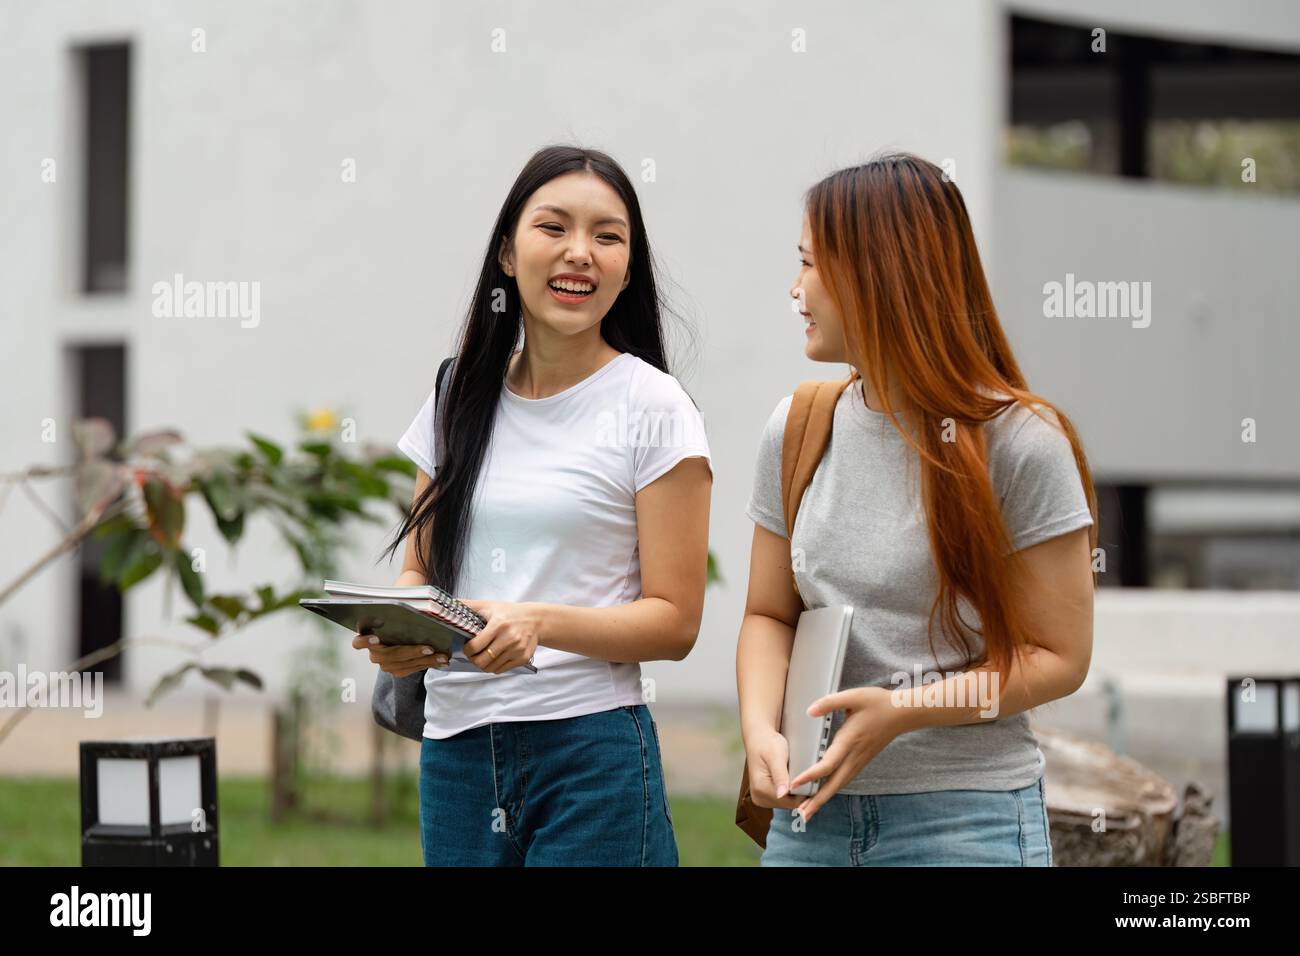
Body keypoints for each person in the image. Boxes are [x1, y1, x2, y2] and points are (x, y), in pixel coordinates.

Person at [737, 152, 1097, 866]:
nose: (795, 289)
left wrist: (903, 712)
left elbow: (1059, 657)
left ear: (879, 275)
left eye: (811, 265)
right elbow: (768, 614)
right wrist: (760, 733)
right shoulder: (799, 427)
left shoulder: (1022, 443)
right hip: (810, 821)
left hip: (965, 821)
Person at [360, 145, 712, 866]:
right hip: (456, 754)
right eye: (554, 228)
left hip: (589, 753)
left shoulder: (654, 407)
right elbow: (418, 573)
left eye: (608, 237)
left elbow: (676, 623)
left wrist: (537, 624)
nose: (580, 253)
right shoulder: (457, 394)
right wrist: (400, 633)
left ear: (627, 265)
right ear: (507, 256)